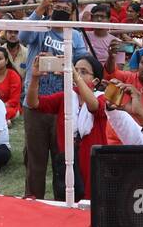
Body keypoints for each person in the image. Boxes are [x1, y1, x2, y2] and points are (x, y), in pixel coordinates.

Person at [18, 0, 90, 199]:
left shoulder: (75, 35)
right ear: (51, 7)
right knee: (35, 159)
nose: (63, 10)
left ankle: (63, 202)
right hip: (35, 101)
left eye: (67, 8)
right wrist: (40, 8)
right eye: (59, 6)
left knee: (63, 158)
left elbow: (81, 64)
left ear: (72, 12)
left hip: (62, 103)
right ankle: (33, 201)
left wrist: (64, 64)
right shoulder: (40, 27)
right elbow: (23, 37)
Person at [25, 53, 109, 199]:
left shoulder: (101, 97)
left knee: (91, 202)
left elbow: (94, 106)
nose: (77, 74)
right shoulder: (66, 97)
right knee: (66, 203)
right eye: (75, 69)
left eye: (83, 72)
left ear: (95, 81)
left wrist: (75, 76)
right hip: (67, 160)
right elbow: (33, 103)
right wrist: (35, 77)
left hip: (91, 161)